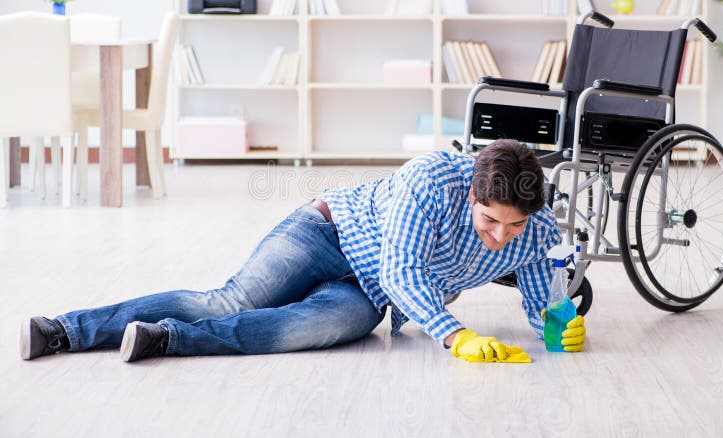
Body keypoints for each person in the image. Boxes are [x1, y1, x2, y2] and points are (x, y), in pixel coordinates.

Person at [20, 139, 586, 364]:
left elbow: (542, 305)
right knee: (229, 301)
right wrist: (455, 334)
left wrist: (559, 327)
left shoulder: (531, 229)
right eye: (489, 221)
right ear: (471, 191)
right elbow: (403, 269)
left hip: (367, 291)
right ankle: (66, 329)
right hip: (328, 233)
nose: (498, 237)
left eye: (512, 227)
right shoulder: (431, 178)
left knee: (296, 331)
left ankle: (166, 338)